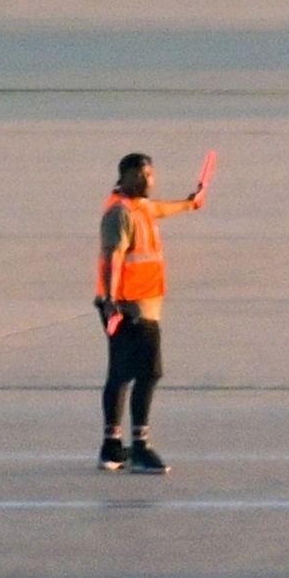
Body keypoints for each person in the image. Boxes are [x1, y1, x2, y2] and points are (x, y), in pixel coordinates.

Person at [93, 150, 205, 474]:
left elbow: (161, 209)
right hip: (132, 306)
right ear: (124, 176)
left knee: (121, 374)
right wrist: (111, 300)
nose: (148, 180)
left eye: (151, 174)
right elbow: (114, 257)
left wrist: (189, 202)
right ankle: (140, 446)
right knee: (148, 373)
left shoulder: (140, 207)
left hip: (137, 304)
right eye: (141, 174)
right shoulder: (120, 214)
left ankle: (112, 447)